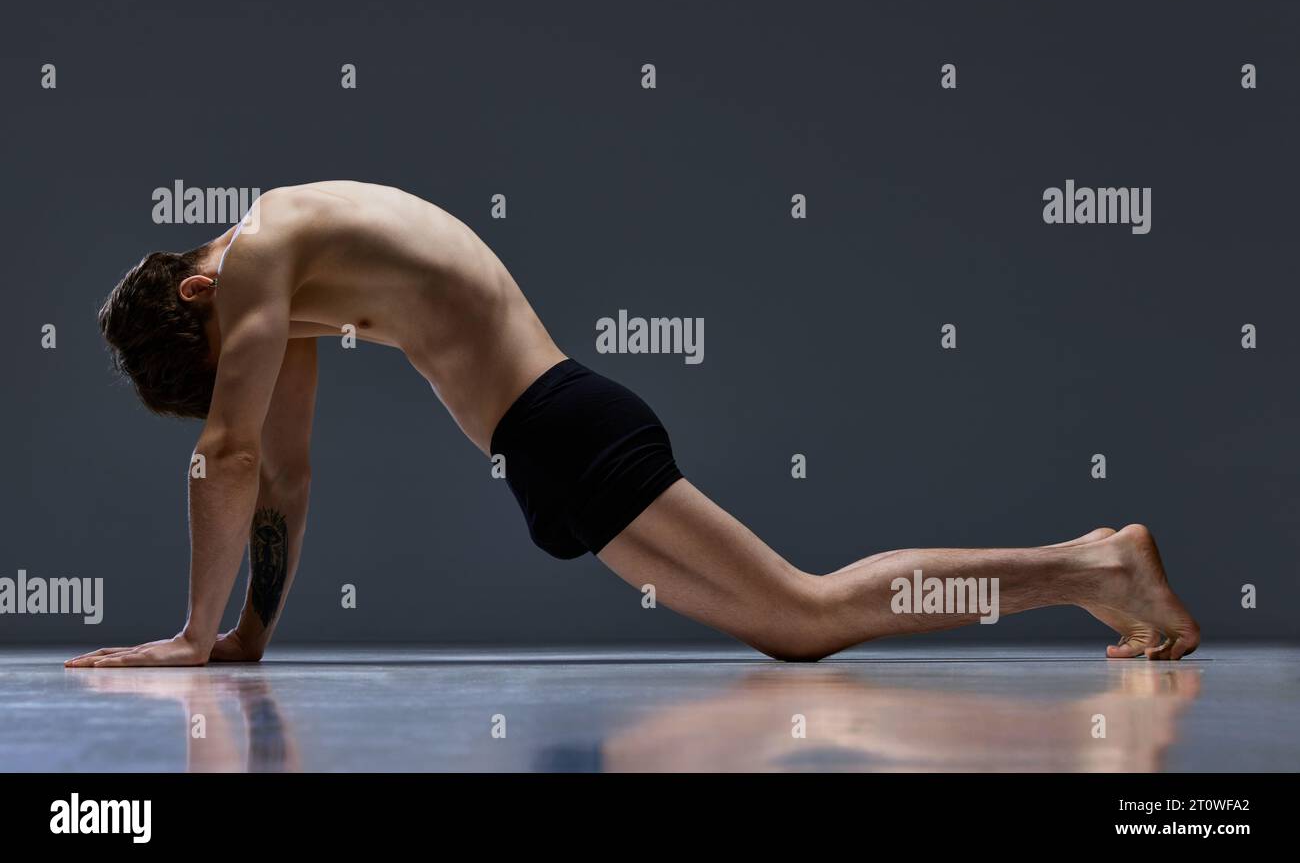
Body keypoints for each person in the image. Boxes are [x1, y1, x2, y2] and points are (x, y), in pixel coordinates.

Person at [69, 182, 1200, 667]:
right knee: (789, 624)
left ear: (197, 295)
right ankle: (1088, 570)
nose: (246, 380)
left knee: (802, 617)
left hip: (567, 429)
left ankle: (1091, 564)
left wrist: (184, 635)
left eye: (226, 364)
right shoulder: (292, 275)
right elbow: (279, 471)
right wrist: (247, 639)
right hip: (545, 452)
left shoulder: (265, 247)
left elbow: (222, 453)